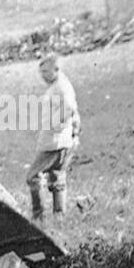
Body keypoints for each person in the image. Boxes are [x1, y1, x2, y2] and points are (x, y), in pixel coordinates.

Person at [26, 53, 81, 221]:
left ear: (57, 70)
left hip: (54, 142)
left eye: (46, 71)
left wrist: (56, 127)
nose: (42, 76)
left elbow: (70, 109)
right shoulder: (59, 85)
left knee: (32, 176)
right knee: (57, 175)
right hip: (63, 140)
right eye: (40, 72)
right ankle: (59, 215)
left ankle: (38, 216)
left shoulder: (61, 87)